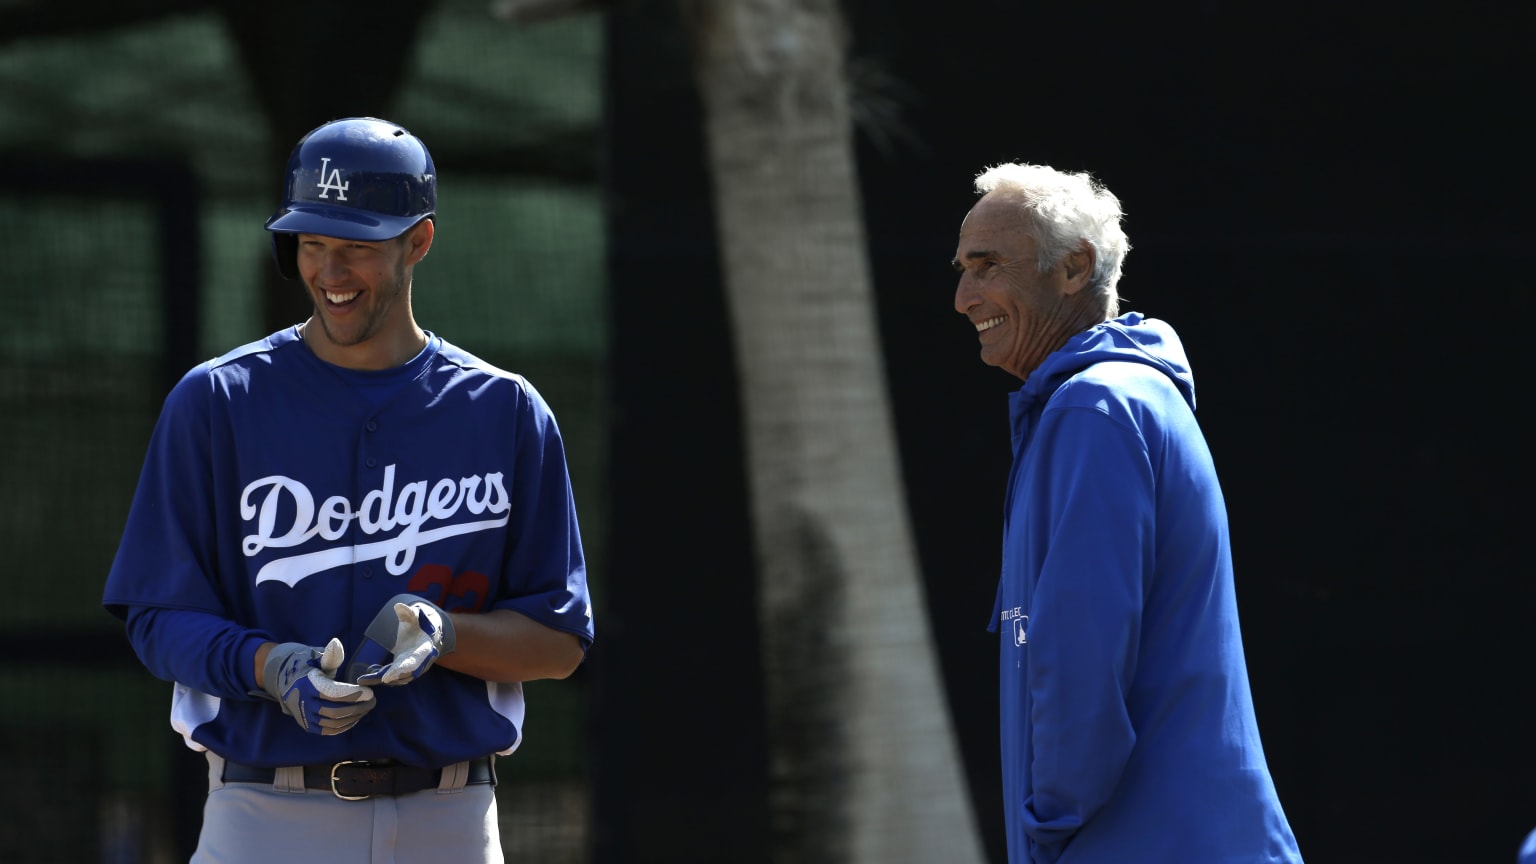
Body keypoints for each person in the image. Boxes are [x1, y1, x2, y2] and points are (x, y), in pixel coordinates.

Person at [102, 116, 595, 863]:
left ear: (418, 242)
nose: (330, 273)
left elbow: (558, 641)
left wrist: (448, 633)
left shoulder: (506, 412)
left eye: (356, 247)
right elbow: (157, 615)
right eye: (311, 244)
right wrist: (272, 667)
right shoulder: (218, 401)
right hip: (265, 812)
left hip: (451, 818)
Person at [951, 162, 1301, 864]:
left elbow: (1080, 652)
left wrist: (1048, 825)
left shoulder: (1093, 408)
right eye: (961, 269)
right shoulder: (1109, 401)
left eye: (987, 266)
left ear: (1075, 267)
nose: (964, 297)